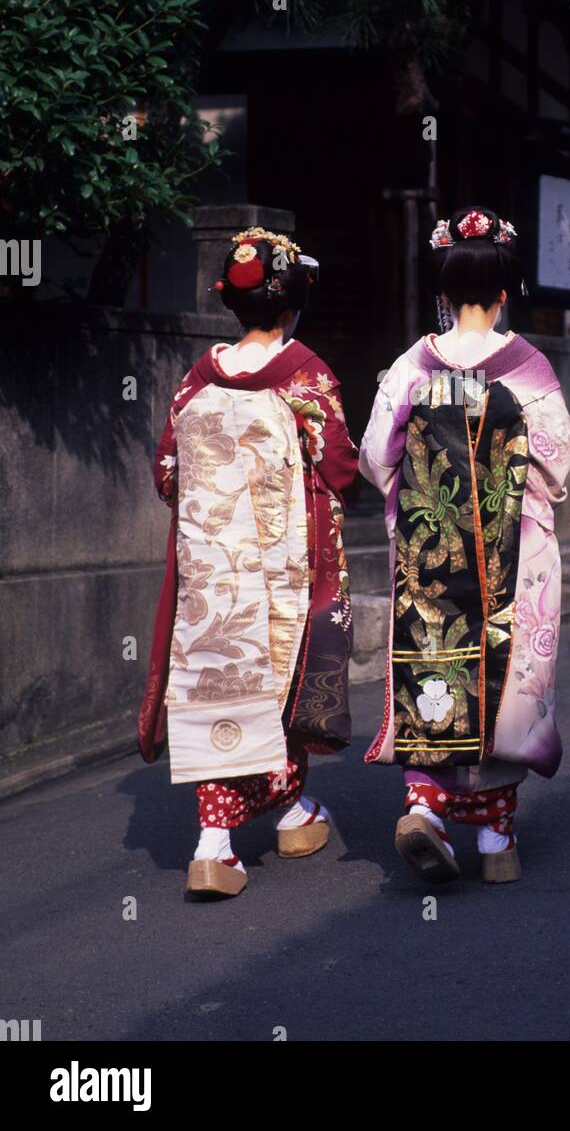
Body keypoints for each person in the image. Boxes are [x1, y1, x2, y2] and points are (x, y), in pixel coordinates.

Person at [358, 207, 570, 885]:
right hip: (514, 552)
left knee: (434, 667)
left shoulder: (411, 366)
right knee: (509, 679)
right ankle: (494, 840)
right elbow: (558, 460)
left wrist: (418, 500)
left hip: (433, 553)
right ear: (507, 291)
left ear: (444, 292)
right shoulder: (528, 366)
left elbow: (373, 454)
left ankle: (425, 805)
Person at [138, 227, 358, 897]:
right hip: (285, 561)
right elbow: (342, 467)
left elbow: (167, 473)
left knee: (217, 684)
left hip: (211, 563)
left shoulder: (196, 381)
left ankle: (286, 815)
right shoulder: (305, 375)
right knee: (282, 688)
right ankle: (217, 844)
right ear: (292, 304)